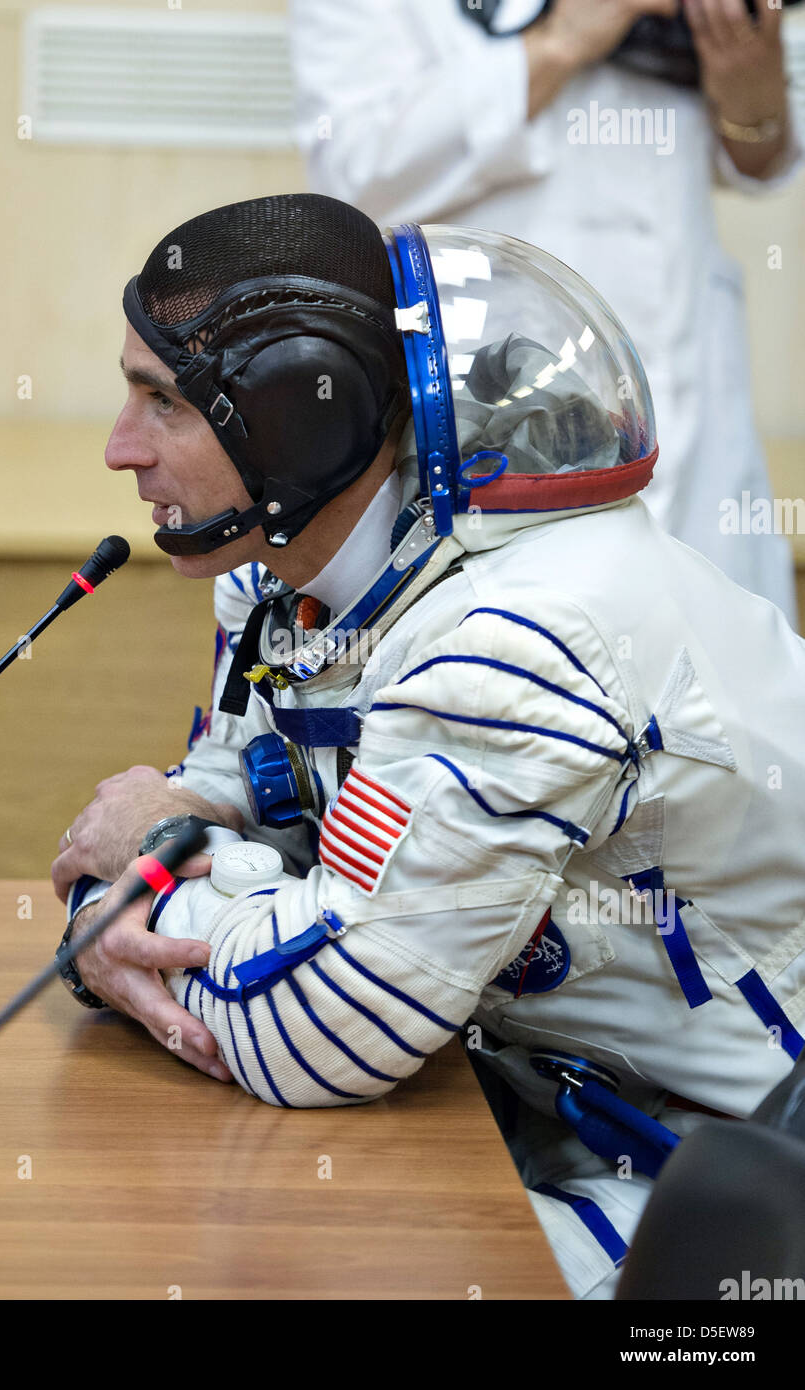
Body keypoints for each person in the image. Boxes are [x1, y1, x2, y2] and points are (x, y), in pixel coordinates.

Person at [50, 193, 805, 1299]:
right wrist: (143, 883)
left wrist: (139, 895)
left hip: (734, 1175)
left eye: (161, 402)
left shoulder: (520, 641)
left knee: (290, 1268)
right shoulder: (297, 583)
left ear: (296, 415)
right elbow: (206, 811)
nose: (121, 450)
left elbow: (324, 1028)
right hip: (533, 1095)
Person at [289, 0, 802, 621]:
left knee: (719, 667)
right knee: (512, 668)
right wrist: (560, 41)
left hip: (687, 365)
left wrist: (751, 90)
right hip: (491, 395)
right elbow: (356, 170)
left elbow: (761, 161)